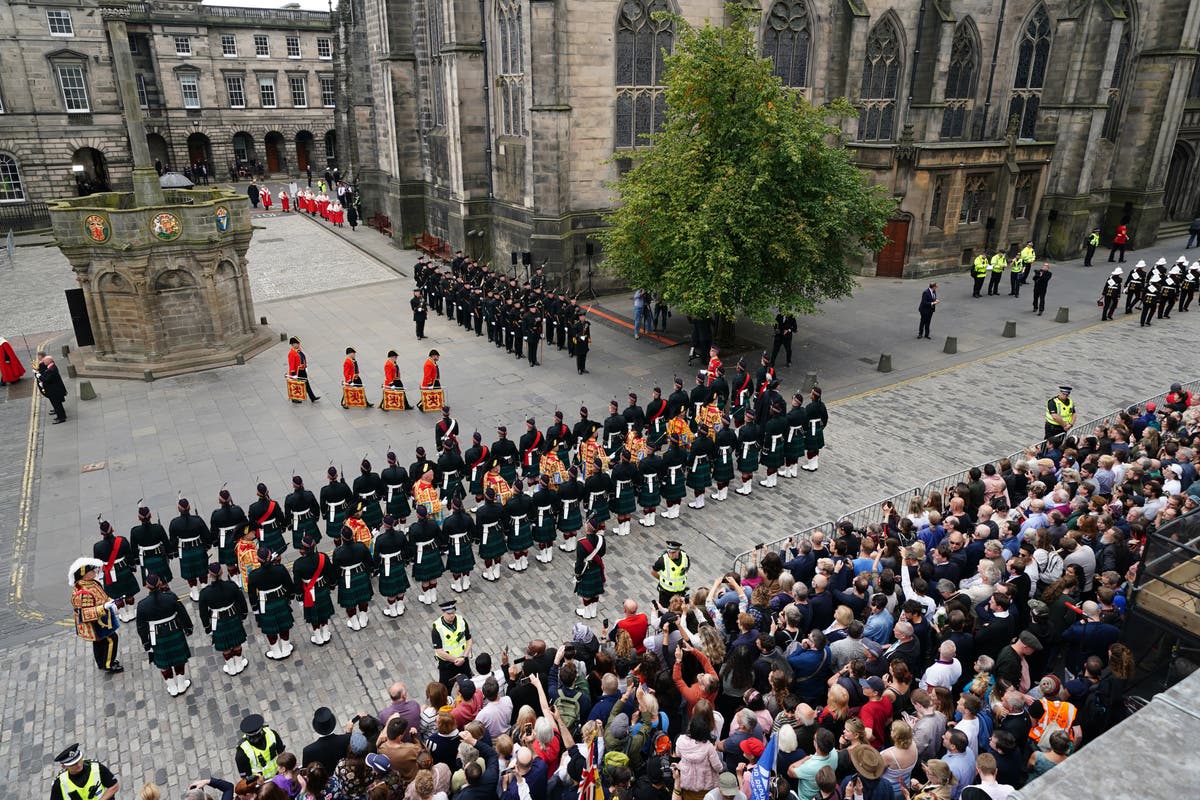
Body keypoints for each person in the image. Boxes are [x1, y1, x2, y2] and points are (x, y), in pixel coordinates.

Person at [136, 573, 194, 696]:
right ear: (160, 583)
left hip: (156, 636)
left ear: (147, 586)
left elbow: (141, 627)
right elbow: (182, 613)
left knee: (163, 662)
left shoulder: (142, 605)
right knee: (179, 659)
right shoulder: (170, 597)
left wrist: (146, 644)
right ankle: (181, 684)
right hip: (175, 631)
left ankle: (172, 687)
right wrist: (188, 628)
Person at [68, 557, 122, 673]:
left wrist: (110, 601)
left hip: (103, 618)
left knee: (99, 643)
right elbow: (86, 614)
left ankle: (101, 662)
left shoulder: (92, 582)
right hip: (97, 623)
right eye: (91, 571)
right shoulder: (83, 592)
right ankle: (109, 664)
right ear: (84, 575)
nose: (95, 572)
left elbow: (102, 595)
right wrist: (103, 608)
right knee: (112, 639)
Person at [198, 562, 250, 675]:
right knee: (236, 641)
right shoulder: (231, 585)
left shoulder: (204, 593)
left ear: (209, 575)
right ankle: (239, 663)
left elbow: (203, 613)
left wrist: (207, 627)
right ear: (221, 572)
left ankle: (231, 667)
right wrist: (243, 614)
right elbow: (241, 601)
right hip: (233, 616)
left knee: (225, 645)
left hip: (218, 621)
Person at [246, 546, 297, 660]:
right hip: (280, 599)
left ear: (258, 560)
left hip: (265, 603)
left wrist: (255, 609)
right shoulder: (280, 568)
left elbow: (252, 595)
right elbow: (289, 584)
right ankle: (286, 648)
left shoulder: (253, 575)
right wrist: (290, 597)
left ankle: (276, 652)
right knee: (284, 625)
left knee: (270, 629)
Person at [51, 744, 119, 800]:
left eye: (79, 760)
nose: (79, 765)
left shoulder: (97, 768)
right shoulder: (59, 784)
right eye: (74, 764)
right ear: (64, 766)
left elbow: (114, 786)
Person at [432, 600, 473, 689]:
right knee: (444, 689)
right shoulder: (437, 628)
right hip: (447, 664)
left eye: (453, 612)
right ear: (443, 613)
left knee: (469, 684)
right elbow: (439, 651)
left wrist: (463, 657)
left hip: (463, 660)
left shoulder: (461, 621)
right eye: (448, 613)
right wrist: (455, 660)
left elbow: (469, 640)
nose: (452, 615)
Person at [575, 516, 607, 619]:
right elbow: (602, 553)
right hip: (597, 568)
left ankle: (587, 613)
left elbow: (579, 562)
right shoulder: (601, 539)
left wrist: (578, 574)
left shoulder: (581, 543)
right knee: (596, 591)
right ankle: (593, 611)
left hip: (587, 570)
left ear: (587, 528)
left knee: (587, 593)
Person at [236, 714, 286, 780]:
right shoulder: (241, 754)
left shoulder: (271, 734)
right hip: (262, 784)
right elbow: (246, 778)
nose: (256, 739)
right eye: (252, 737)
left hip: (280, 774)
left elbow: (282, 753)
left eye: (257, 736)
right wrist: (257, 782)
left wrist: (284, 768)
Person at [652, 540, 690, 607]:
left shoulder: (685, 557)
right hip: (666, 594)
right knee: (664, 613)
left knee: (678, 611)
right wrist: (662, 579)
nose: (670, 554)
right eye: (669, 552)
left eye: (673, 552)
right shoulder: (662, 560)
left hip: (680, 593)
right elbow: (653, 572)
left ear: (678, 550)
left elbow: (687, 568)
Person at [35, 353, 69, 423]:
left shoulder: (51, 369)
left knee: (57, 404)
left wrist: (39, 376)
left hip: (54, 391)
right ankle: (60, 416)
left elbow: (47, 379)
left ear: (49, 361)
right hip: (54, 390)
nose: (44, 362)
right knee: (56, 404)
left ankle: (61, 417)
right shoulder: (50, 367)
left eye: (45, 361)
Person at [801, 387, 828, 472]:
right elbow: (825, 417)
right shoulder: (822, 404)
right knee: (816, 447)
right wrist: (822, 426)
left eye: (811, 393)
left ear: (813, 396)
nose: (810, 394)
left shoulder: (810, 407)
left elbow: (805, 419)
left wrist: (804, 430)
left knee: (810, 448)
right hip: (818, 427)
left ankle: (811, 465)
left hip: (811, 428)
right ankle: (815, 463)